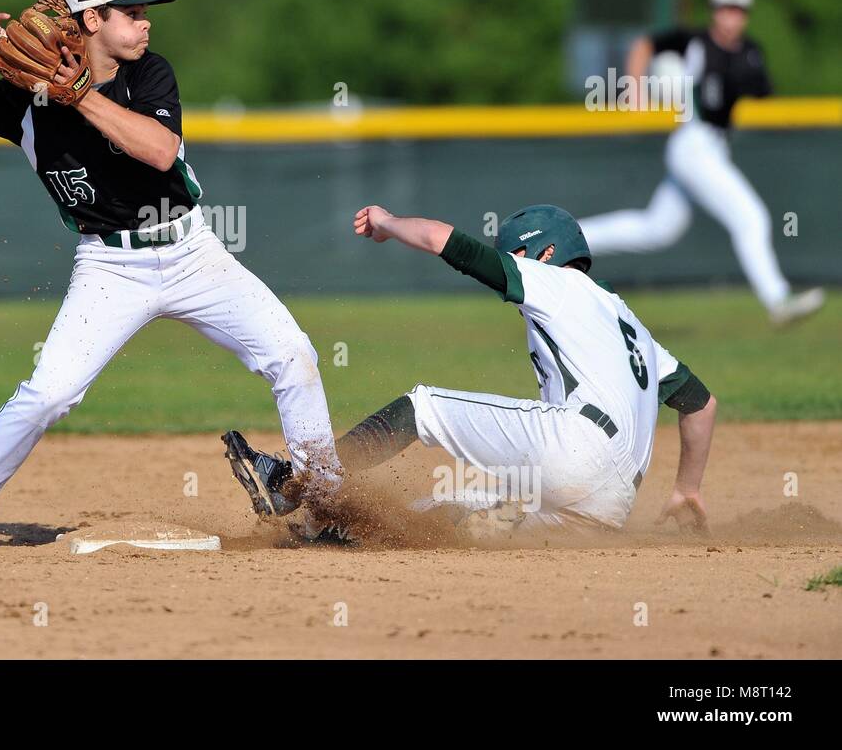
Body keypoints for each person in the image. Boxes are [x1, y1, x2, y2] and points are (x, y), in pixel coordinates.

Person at [0, 0, 340, 552]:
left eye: (144, 13)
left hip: (192, 253)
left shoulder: (150, 75)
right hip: (110, 266)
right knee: (50, 393)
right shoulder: (27, 99)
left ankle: (324, 504)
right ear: (92, 20)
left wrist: (80, 95)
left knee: (294, 357)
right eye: (131, 14)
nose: (145, 25)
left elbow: (160, 151)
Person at [226, 204, 718, 537]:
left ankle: (300, 483)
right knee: (441, 513)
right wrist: (686, 490)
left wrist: (389, 222)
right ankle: (339, 531)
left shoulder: (555, 283)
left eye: (517, 254)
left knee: (423, 407)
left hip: (576, 447)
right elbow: (700, 403)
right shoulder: (626, 320)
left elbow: (449, 243)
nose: (510, 263)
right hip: (610, 506)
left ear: (547, 254)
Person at [578, 0, 824, 326]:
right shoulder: (695, 41)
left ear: (746, 14)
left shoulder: (751, 53)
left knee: (658, 228)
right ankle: (777, 298)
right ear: (714, 11)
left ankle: (569, 235)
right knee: (750, 216)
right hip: (693, 144)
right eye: (725, 7)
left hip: (716, 149)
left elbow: (766, 101)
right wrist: (634, 88)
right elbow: (644, 45)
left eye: (737, 9)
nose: (731, 15)